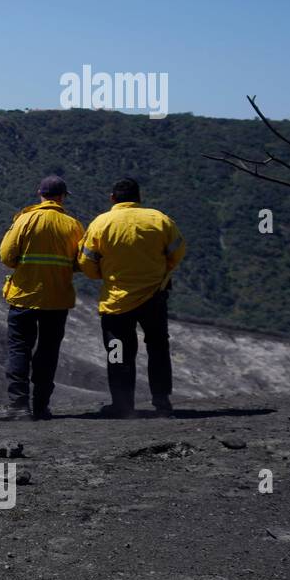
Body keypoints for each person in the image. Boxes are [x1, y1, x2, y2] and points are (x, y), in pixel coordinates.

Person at [77, 176, 187, 418]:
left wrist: (102, 276)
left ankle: (122, 404)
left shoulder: (100, 223)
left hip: (116, 300)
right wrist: (161, 274)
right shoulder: (159, 220)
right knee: (158, 347)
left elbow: (86, 261)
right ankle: (162, 400)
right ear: (139, 198)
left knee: (118, 350)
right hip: (154, 295)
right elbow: (177, 253)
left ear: (112, 199)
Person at [0, 175, 84, 421]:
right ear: (63, 197)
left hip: (24, 296)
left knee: (19, 350)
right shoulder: (73, 225)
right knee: (48, 351)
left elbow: (6, 256)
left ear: (39, 193)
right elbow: (81, 261)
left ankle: (19, 406)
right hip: (57, 299)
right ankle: (42, 406)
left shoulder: (25, 220)